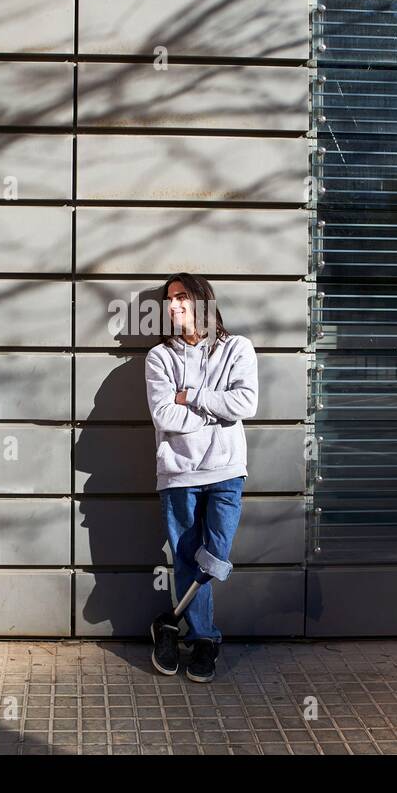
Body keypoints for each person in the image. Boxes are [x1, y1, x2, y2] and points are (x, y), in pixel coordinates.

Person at [143, 272, 258, 682]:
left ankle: (168, 623)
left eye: (182, 298)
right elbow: (165, 416)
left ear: (203, 302)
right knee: (189, 560)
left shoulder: (237, 348)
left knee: (216, 560)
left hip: (227, 472)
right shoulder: (159, 358)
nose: (173, 306)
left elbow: (245, 402)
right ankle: (206, 640)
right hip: (179, 473)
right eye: (169, 300)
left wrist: (190, 396)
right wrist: (216, 407)